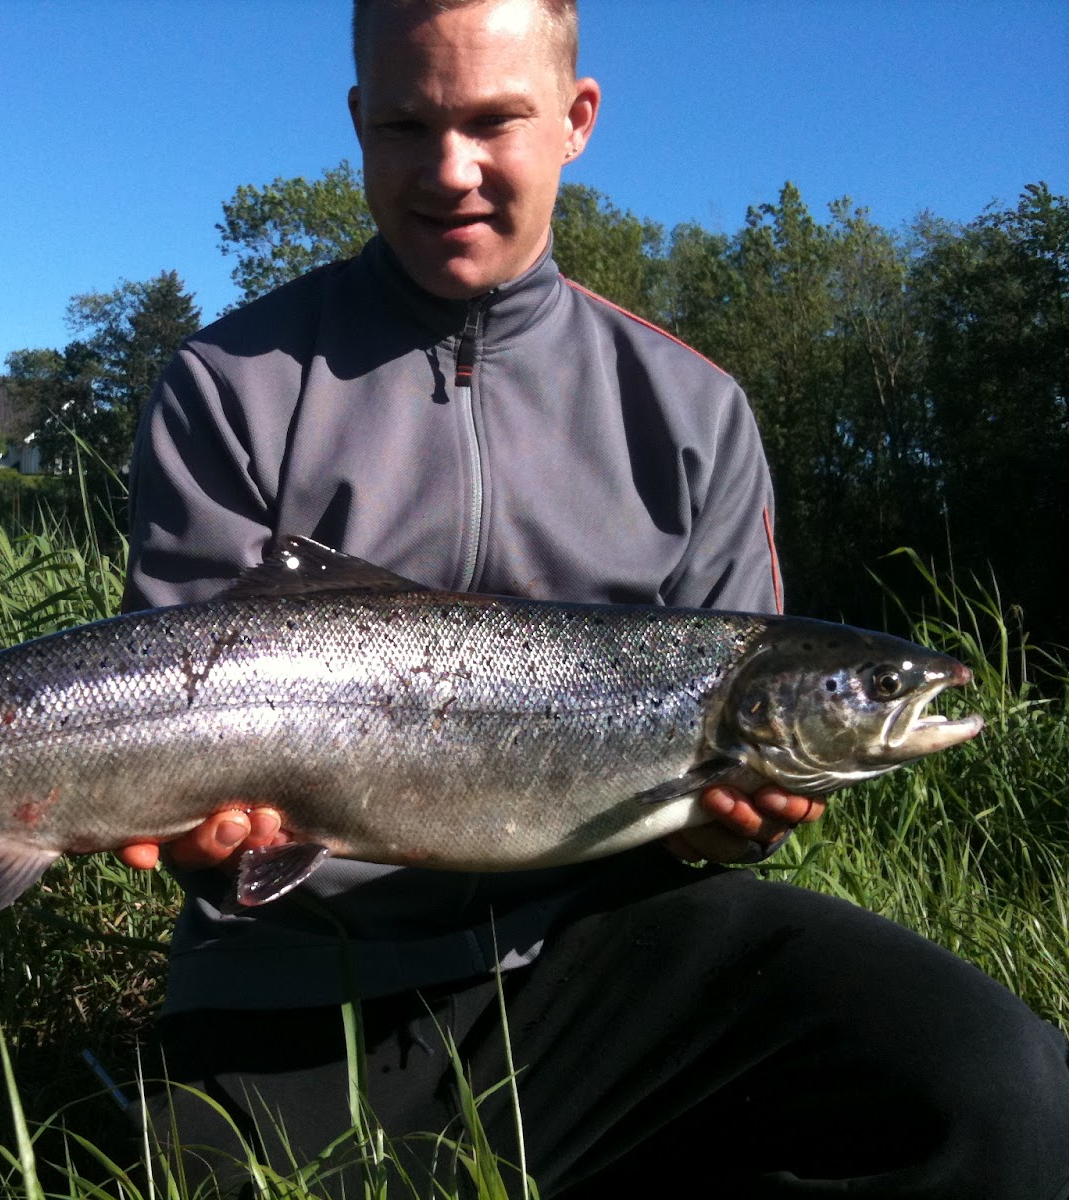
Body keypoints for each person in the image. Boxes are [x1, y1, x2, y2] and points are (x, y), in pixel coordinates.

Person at [113, 1, 1069, 1194]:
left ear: (575, 121)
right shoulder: (229, 385)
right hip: (301, 970)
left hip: (606, 959)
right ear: (358, 122)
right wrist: (210, 848)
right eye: (408, 124)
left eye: (492, 122)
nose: (448, 170)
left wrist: (732, 828)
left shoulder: (691, 411)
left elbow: (704, 845)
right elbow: (170, 727)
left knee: (1002, 1087)